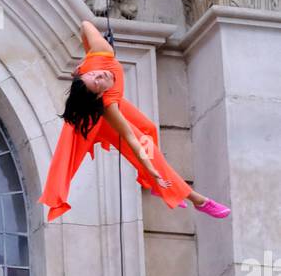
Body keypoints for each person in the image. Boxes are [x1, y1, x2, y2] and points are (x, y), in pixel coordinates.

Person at [40, 20, 231, 222]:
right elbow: (131, 139)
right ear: (98, 95)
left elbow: (85, 24)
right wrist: (151, 169)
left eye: (93, 74)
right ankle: (197, 200)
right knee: (150, 152)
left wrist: (86, 54)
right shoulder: (108, 105)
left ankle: (157, 183)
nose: (100, 76)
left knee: (148, 128)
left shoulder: (101, 53)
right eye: (96, 83)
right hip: (99, 120)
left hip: (106, 93)